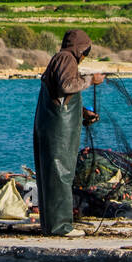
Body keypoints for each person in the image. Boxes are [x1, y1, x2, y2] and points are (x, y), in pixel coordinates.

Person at [32, 29, 104, 237]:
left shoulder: (58, 59)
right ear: (81, 49)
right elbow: (66, 85)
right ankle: (61, 227)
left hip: (49, 126)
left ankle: (50, 225)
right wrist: (91, 79)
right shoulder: (67, 59)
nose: (84, 57)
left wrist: (83, 113)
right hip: (58, 131)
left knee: (51, 175)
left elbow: (62, 98)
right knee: (60, 173)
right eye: (86, 52)